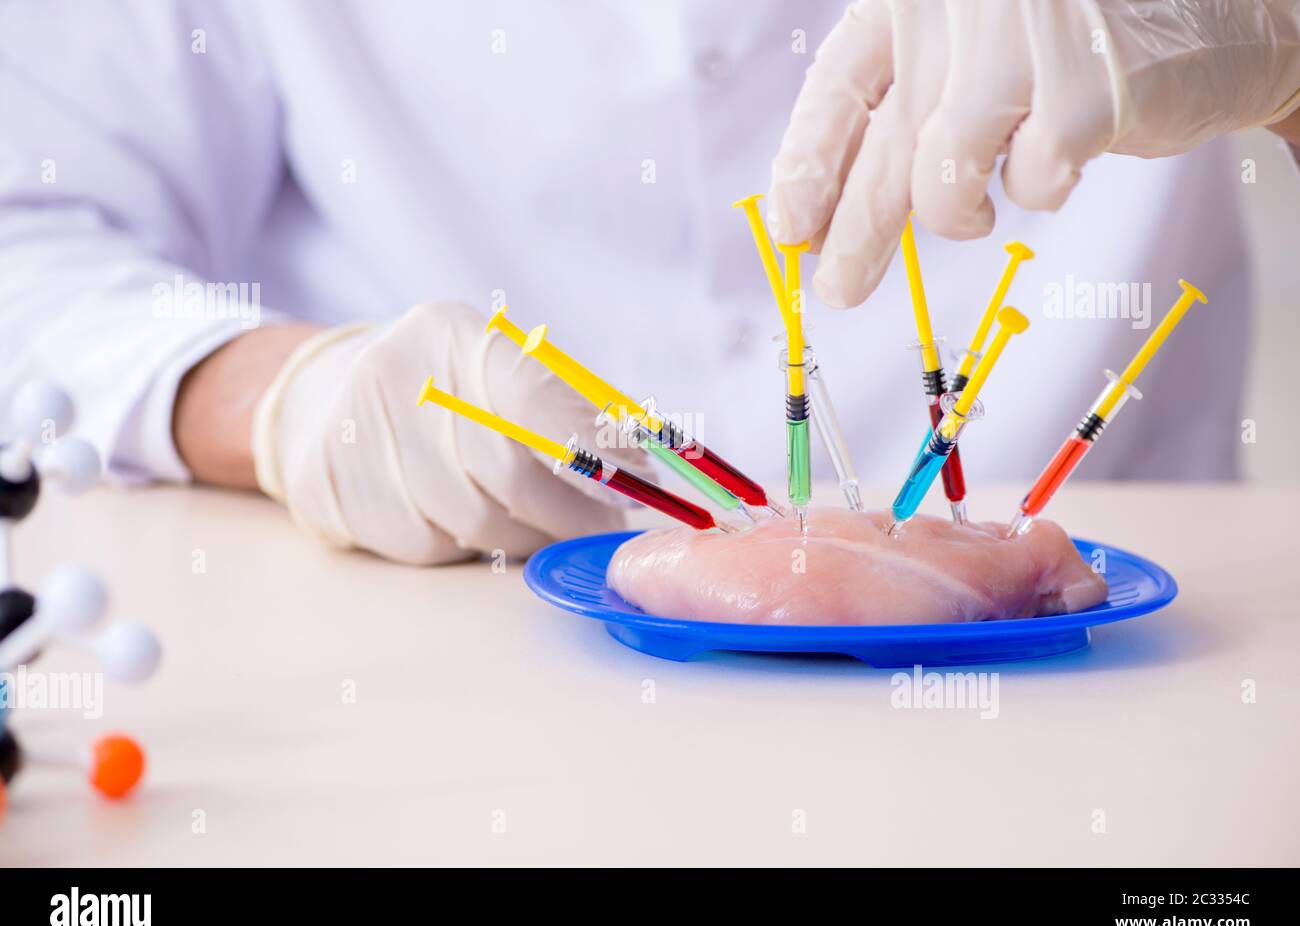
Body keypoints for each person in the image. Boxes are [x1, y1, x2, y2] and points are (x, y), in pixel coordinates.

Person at [2, 1, 1297, 565]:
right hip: (453, 631)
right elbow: (30, 235)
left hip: (1120, 683)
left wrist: (1284, 52)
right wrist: (282, 400)